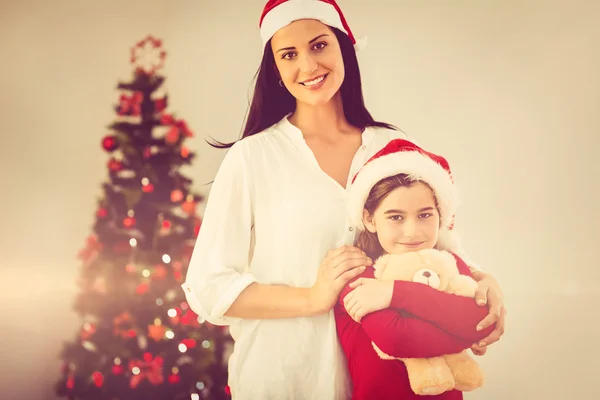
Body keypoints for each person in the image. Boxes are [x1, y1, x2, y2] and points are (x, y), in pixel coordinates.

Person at [181, 1, 505, 398]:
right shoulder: (253, 157)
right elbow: (208, 286)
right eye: (289, 54)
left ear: (343, 48)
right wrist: (313, 298)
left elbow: (432, 246)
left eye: (319, 46)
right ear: (277, 70)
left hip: (387, 380)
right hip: (285, 377)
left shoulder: (393, 150)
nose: (308, 66)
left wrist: (482, 283)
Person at [335, 139, 498, 399]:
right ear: (369, 219)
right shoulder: (359, 273)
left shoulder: (451, 264)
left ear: (440, 215)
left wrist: (394, 293)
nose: (412, 232)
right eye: (395, 217)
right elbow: (397, 340)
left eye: (424, 215)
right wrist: (461, 332)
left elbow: (480, 323)